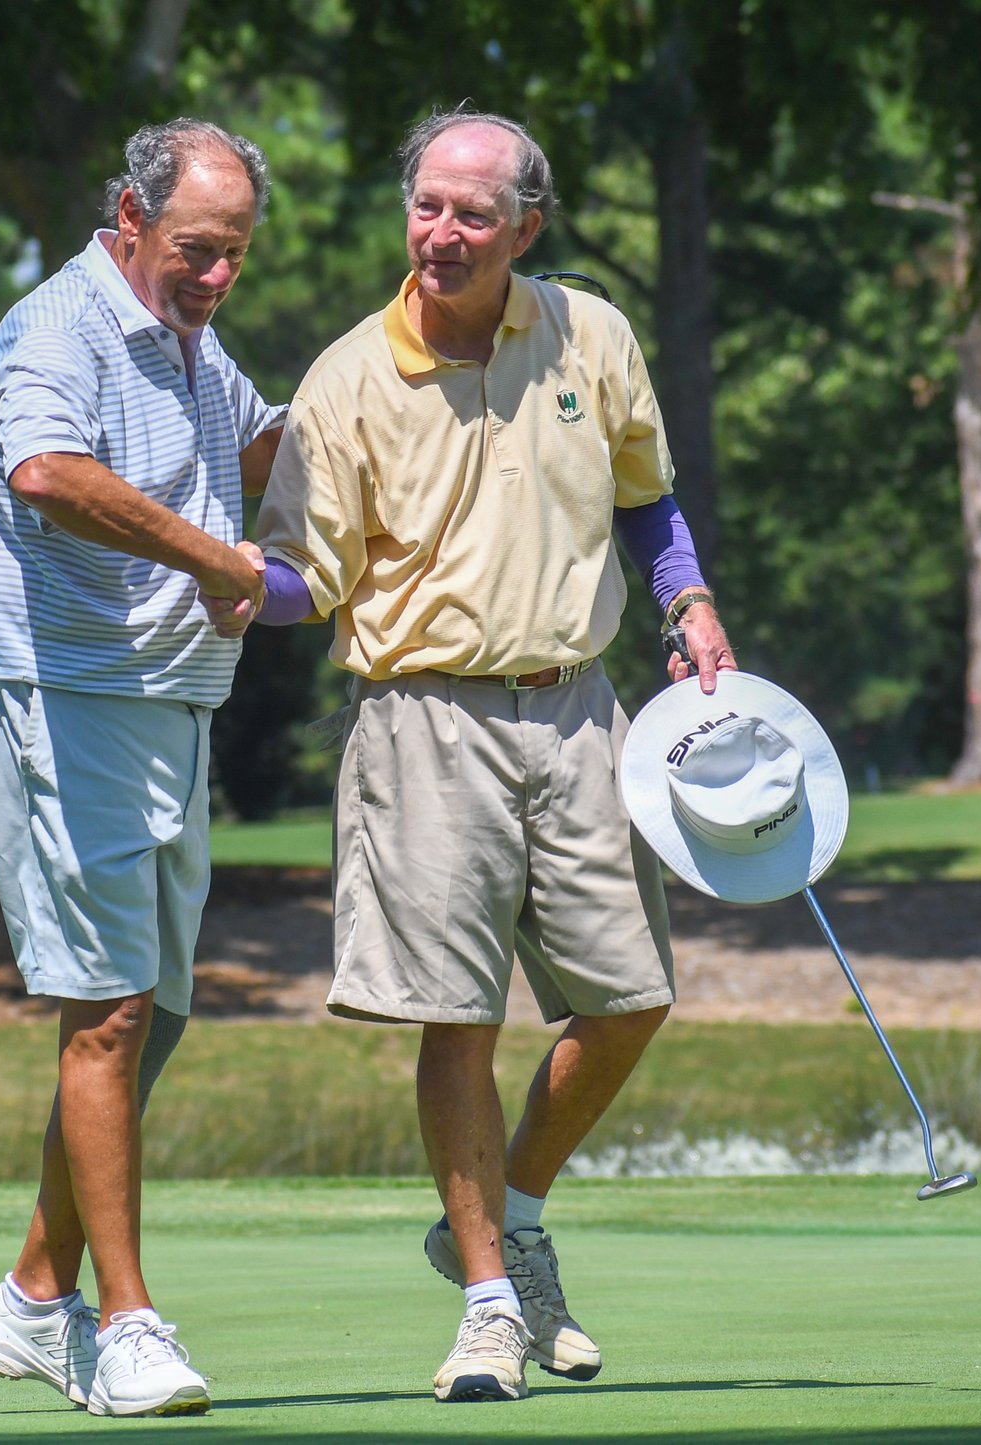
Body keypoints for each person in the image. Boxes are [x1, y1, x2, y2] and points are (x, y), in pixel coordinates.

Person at [247, 108, 736, 1403]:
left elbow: (646, 497)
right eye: (426, 206)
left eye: (472, 212)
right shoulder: (347, 377)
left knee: (629, 997)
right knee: (454, 1019)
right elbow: (308, 572)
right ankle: (483, 1309)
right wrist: (240, 585)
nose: (442, 232)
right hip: (420, 723)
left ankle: (510, 1214)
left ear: (527, 224)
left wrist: (688, 605)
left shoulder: (592, 335)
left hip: (578, 709)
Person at [0, 118, 283, 1419]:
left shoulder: (190, 334)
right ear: (128, 220)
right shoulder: (59, 329)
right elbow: (45, 471)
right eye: (198, 248)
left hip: (164, 698)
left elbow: (260, 450)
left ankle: (33, 1292)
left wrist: (401, 434)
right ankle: (125, 1323)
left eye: (237, 253)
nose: (216, 275)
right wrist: (213, 559)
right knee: (108, 1009)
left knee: (158, 1009)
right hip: (57, 692)